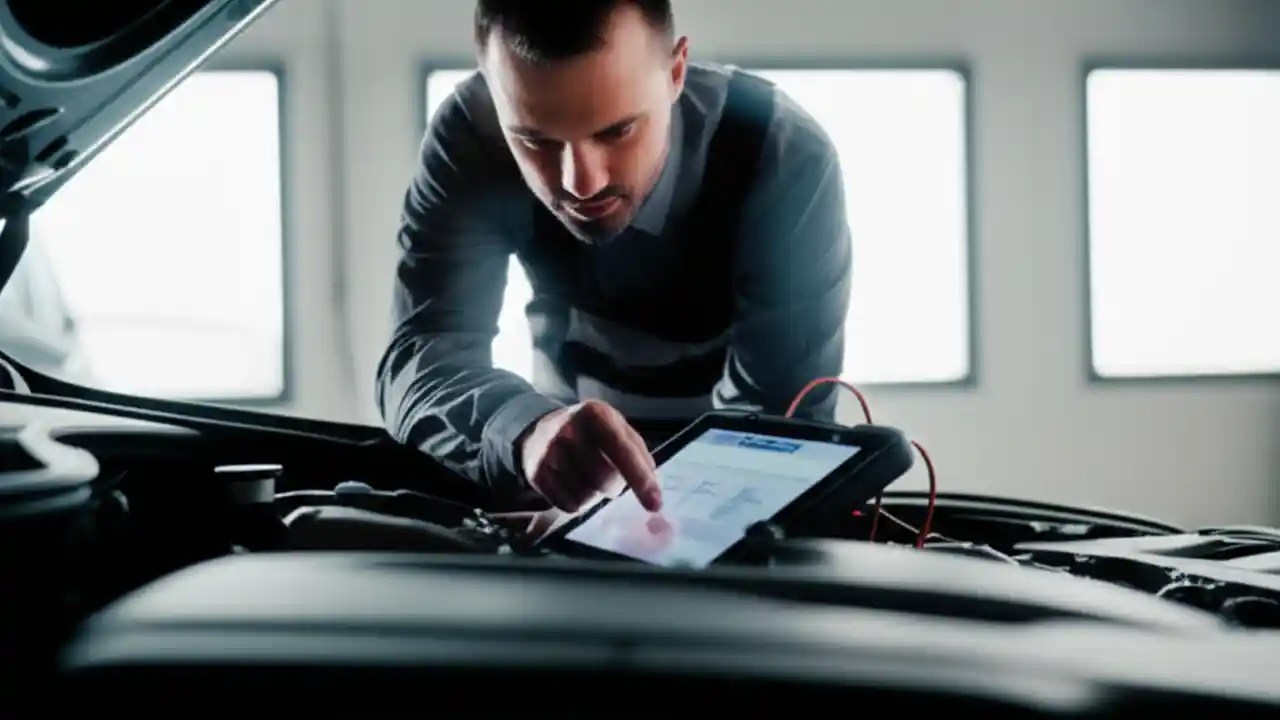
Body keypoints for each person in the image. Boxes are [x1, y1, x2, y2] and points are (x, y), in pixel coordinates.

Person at [376, 0, 852, 516]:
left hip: (725, 500)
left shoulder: (780, 154)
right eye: (534, 140)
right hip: (562, 496)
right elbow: (421, 358)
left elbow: (780, 423)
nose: (582, 183)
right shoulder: (471, 138)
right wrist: (525, 430)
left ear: (675, 73)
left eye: (617, 130)